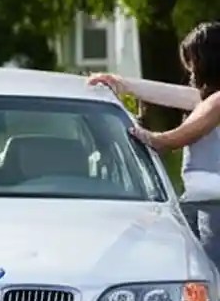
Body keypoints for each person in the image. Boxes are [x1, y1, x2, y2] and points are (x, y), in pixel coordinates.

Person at [88, 21, 220, 266]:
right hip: (198, 203)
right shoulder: (208, 100)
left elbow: (184, 135)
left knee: (212, 276)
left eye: (193, 64)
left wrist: (152, 138)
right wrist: (122, 84)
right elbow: (168, 94)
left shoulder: (217, 102)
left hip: (214, 207)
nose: (190, 73)